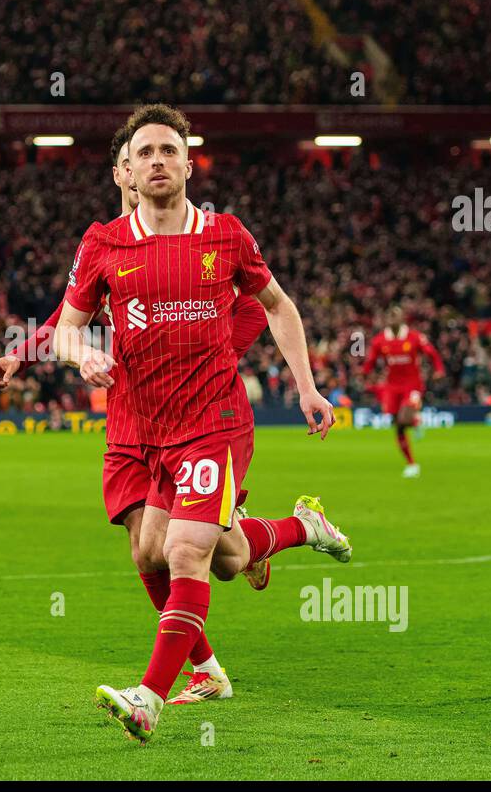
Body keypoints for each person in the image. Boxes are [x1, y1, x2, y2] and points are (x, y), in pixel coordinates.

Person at [52, 104, 351, 742]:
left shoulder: (227, 235)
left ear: (190, 162)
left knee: (187, 549)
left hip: (213, 421)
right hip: (140, 425)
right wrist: (83, 357)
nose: (158, 161)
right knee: (198, 555)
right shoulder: (102, 242)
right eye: (145, 153)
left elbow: (277, 306)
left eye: (169, 150)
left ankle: (148, 699)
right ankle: (302, 528)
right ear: (126, 171)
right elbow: (65, 331)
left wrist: (307, 388)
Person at [362, 305, 446, 477]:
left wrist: (439, 369)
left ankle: (414, 420)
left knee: (403, 419)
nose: (393, 319)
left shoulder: (415, 337)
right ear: (386, 320)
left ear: (402, 319)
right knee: (398, 427)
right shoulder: (379, 341)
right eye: (390, 316)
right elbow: (370, 361)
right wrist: (365, 374)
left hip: (412, 385)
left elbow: (432, 353)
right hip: (392, 387)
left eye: (396, 316)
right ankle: (411, 464)